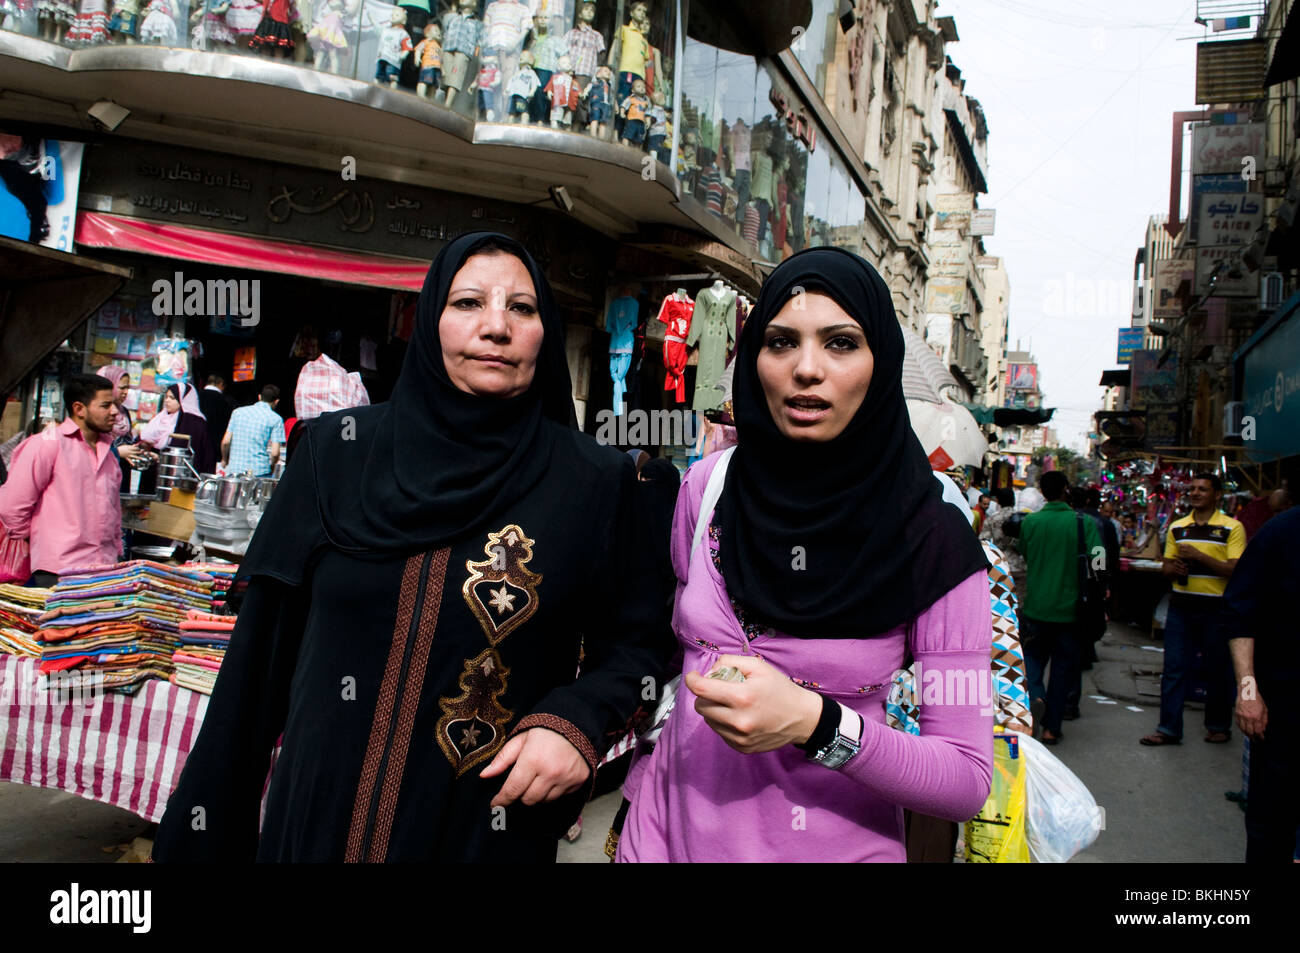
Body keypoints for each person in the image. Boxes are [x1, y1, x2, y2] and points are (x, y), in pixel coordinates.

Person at [151, 232, 673, 862]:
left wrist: (577, 722)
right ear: (430, 321)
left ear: (546, 332)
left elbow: (641, 644)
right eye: (468, 303)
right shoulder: (335, 453)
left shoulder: (594, 482)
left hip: (479, 831)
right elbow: (255, 671)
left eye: (523, 309)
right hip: (316, 826)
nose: (496, 328)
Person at [616, 247, 992, 863]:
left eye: (841, 343)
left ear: (881, 364)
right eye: (781, 341)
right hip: (660, 840)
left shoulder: (934, 543)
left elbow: (965, 780)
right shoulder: (706, 490)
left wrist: (816, 725)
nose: (806, 369)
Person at [1141, 472, 1245, 747]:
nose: (1196, 493)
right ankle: (1168, 729)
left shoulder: (1232, 528)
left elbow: (1235, 570)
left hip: (1217, 609)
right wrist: (1171, 569)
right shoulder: (1178, 527)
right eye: (1193, 489)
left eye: (1203, 489)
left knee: (1217, 669)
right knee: (1174, 669)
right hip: (1182, 606)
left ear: (1217, 495)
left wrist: (1200, 557)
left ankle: (1218, 726)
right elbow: (1166, 567)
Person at [1222, 506, 1300, 862]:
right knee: (1272, 819)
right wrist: (1248, 693)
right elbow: (1241, 614)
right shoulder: (1282, 532)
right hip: (1285, 708)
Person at [0, 374, 124, 587]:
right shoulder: (48, 444)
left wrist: (118, 552)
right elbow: (12, 506)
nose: (115, 412)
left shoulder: (109, 454)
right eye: (106, 405)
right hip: (58, 570)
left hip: (104, 570)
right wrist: (41, 540)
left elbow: (114, 511)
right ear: (79, 409)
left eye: (114, 404)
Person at [1017, 470, 1101, 745]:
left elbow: (1027, 555)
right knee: (1064, 669)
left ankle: (1035, 698)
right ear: (1066, 489)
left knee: (1032, 661)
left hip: (1036, 606)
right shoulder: (1083, 523)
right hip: (1071, 610)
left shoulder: (1031, 522)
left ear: (1042, 492)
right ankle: (1053, 728)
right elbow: (1099, 560)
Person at [139, 382, 218, 475]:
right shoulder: (160, 418)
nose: (167, 401)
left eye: (172, 398)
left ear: (183, 400)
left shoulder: (194, 423)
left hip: (180, 476)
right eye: (166, 397)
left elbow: (203, 456)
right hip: (156, 475)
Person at [221, 385, 286, 477]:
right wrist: (272, 466)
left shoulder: (237, 412)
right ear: (276, 402)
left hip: (235, 469)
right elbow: (275, 453)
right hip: (260, 471)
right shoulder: (276, 419)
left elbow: (226, 441)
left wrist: (224, 459)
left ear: (259, 397)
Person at [198, 374, 236, 452]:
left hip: (197, 439)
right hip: (215, 444)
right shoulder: (225, 400)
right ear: (221, 384)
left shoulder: (196, 396)